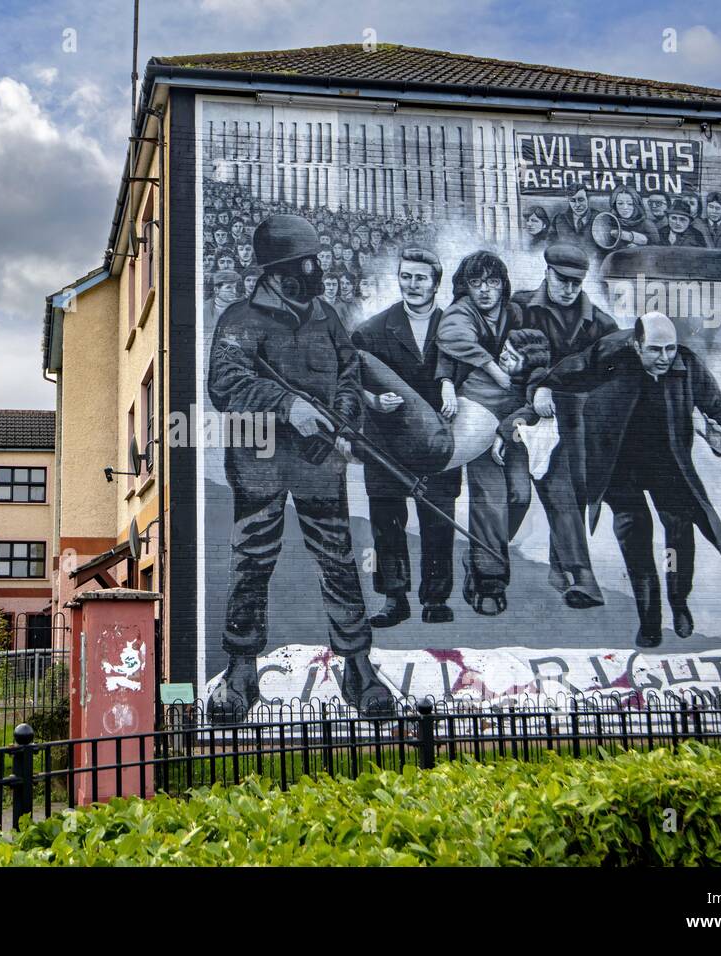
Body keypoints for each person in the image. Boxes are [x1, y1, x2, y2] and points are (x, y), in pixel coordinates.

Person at [207, 213, 390, 721]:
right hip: (260, 466)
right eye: (308, 262)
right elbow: (225, 383)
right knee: (251, 564)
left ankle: (359, 667)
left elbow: (350, 371)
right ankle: (241, 668)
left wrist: (346, 421)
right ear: (280, 269)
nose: (317, 270)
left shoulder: (324, 316)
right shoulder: (239, 321)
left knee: (338, 562)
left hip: (319, 465)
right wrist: (289, 405)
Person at [533, 312, 721, 646]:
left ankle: (679, 599)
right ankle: (650, 619)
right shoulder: (611, 354)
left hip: (667, 465)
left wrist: (720, 435)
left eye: (670, 349)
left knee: (679, 533)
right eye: (655, 350)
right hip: (619, 466)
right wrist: (543, 388)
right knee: (636, 537)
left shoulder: (685, 364)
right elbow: (572, 368)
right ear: (636, 344)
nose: (664, 358)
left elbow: (720, 408)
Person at [351, 248, 461, 627]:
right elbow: (349, 382)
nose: (412, 285)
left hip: (438, 444)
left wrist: (451, 388)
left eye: (420, 278)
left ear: (436, 283)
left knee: (438, 519)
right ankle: (394, 599)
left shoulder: (456, 331)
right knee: (387, 521)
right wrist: (373, 401)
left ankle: (435, 599)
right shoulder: (371, 331)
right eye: (406, 276)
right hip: (385, 442)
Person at [512, 243, 618, 609]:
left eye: (577, 282)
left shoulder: (602, 324)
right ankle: (584, 578)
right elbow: (506, 360)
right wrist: (534, 391)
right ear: (547, 272)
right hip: (528, 417)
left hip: (578, 425)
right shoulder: (520, 309)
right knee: (559, 491)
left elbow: (611, 378)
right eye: (562, 280)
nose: (570, 288)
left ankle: (560, 571)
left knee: (572, 493)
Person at [436, 251, 527, 613]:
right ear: (465, 287)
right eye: (476, 283)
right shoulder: (461, 312)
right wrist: (451, 381)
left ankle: (481, 554)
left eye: (492, 282)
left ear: (503, 284)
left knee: (519, 495)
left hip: (517, 414)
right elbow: (450, 341)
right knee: (490, 497)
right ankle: (489, 582)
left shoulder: (516, 312)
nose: (485, 290)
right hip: (478, 411)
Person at [550, 187, 600, 258]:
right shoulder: (558, 219)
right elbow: (549, 245)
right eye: (572, 200)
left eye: (581, 200)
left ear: (587, 199)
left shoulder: (599, 217)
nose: (577, 205)